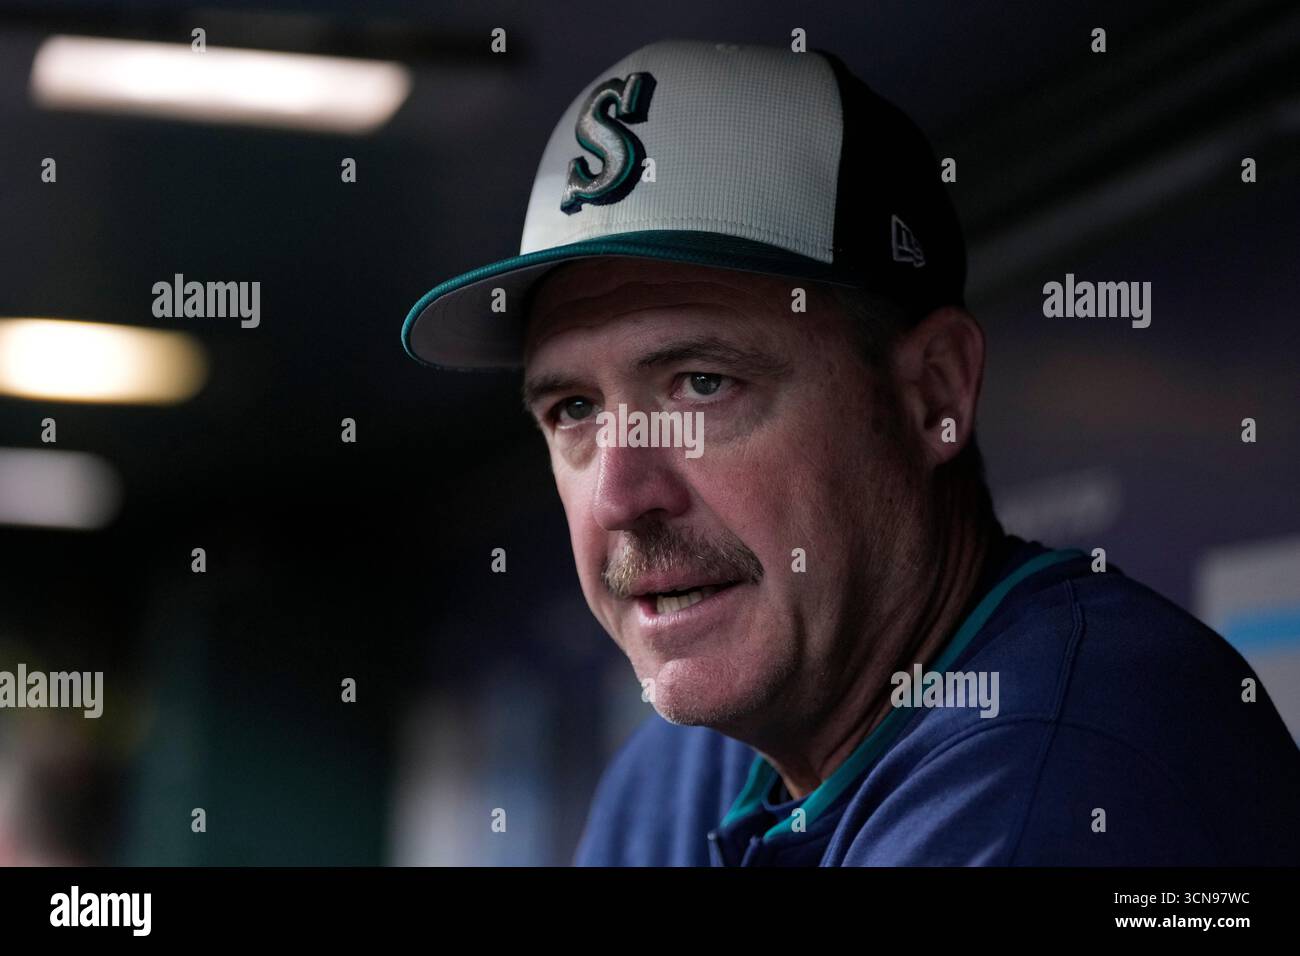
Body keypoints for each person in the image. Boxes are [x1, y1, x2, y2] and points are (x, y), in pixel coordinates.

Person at [401, 39, 1300, 865]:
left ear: (932, 394)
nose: (620, 495)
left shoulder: (1064, 769)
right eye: (574, 408)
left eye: (702, 384)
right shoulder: (678, 771)